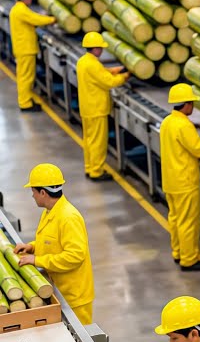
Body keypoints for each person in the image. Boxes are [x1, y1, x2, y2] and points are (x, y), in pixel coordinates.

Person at [14, 163, 95, 325]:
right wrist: (32, 246)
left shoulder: (68, 217)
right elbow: (51, 240)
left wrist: (37, 260)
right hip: (60, 289)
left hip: (74, 298)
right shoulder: (50, 211)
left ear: (43, 192)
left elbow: (75, 256)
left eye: (33, 191)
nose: (32, 196)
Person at [160, 84, 200, 272]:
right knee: (189, 222)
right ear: (186, 104)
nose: (193, 107)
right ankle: (189, 260)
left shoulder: (168, 122)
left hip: (170, 181)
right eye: (192, 103)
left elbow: (178, 138)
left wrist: (194, 127)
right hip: (185, 182)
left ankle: (178, 252)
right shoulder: (183, 125)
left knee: (175, 219)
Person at [76, 31, 130, 181]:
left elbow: (101, 73)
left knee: (89, 140)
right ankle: (97, 171)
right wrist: (125, 76)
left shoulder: (83, 61)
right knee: (98, 142)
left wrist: (116, 70)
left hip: (87, 108)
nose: (102, 50)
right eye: (100, 48)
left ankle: (89, 167)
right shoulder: (93, 64)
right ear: (95, 48)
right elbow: (109, 82)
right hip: (96, 109)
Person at [8, 0, 53, 112]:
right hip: (25, 49)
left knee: (26, 76)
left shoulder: (18, 9)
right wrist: (51, 19)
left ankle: (26, 98)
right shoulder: (21, 10)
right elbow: (36, 19)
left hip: (23, 48)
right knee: (26, 77)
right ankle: (25, 103)